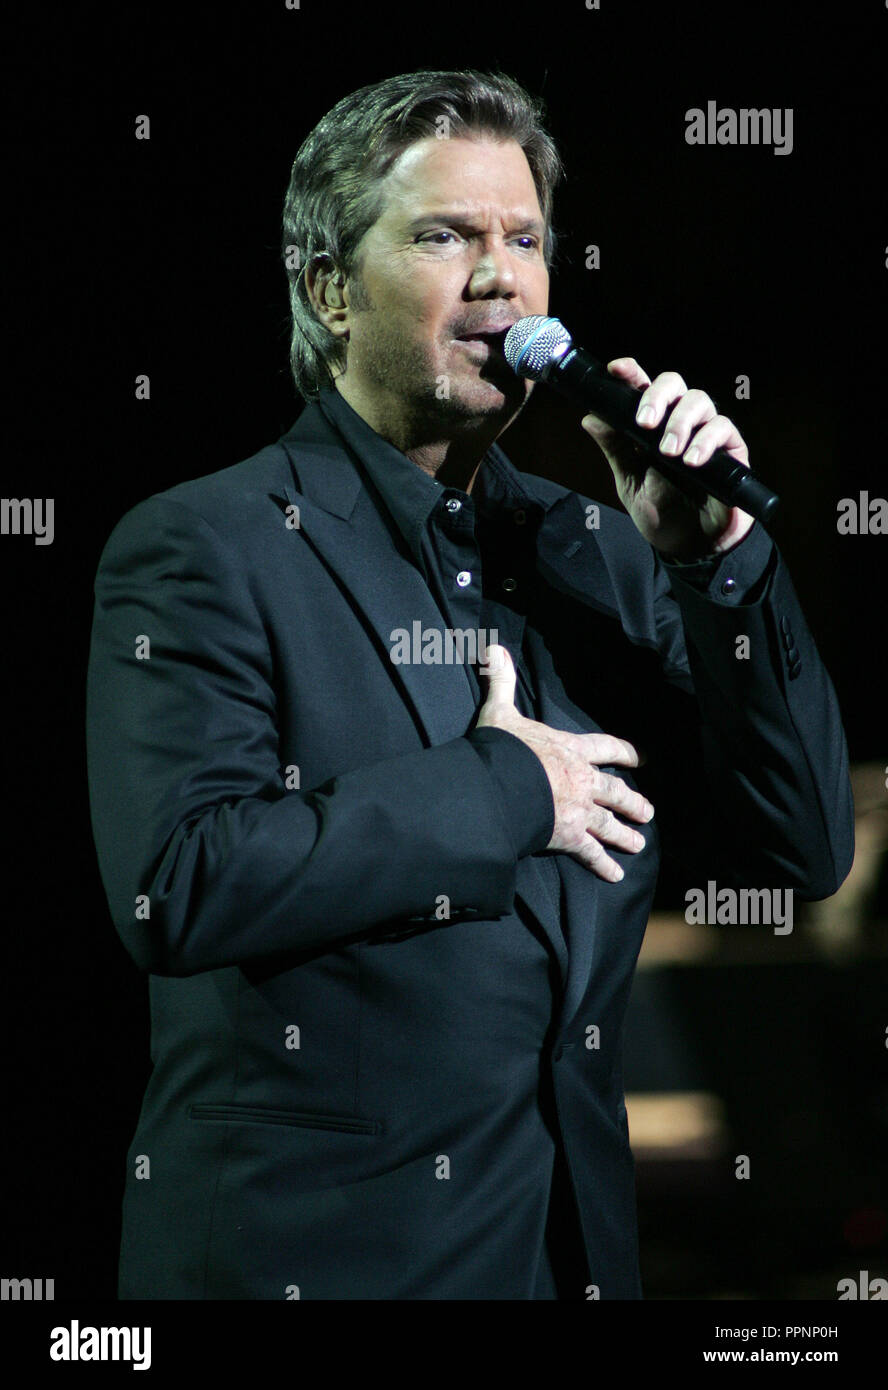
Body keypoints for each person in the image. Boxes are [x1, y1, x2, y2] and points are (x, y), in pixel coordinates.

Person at [86, 69, 854, 1300]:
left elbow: (805, 843)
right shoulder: (207, 543)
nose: (501, 274)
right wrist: (505, 792)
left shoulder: (593, 554)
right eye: (445, 235)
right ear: (329, 288)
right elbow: (175, 882)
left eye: (526, 239)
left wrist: (717, 568)